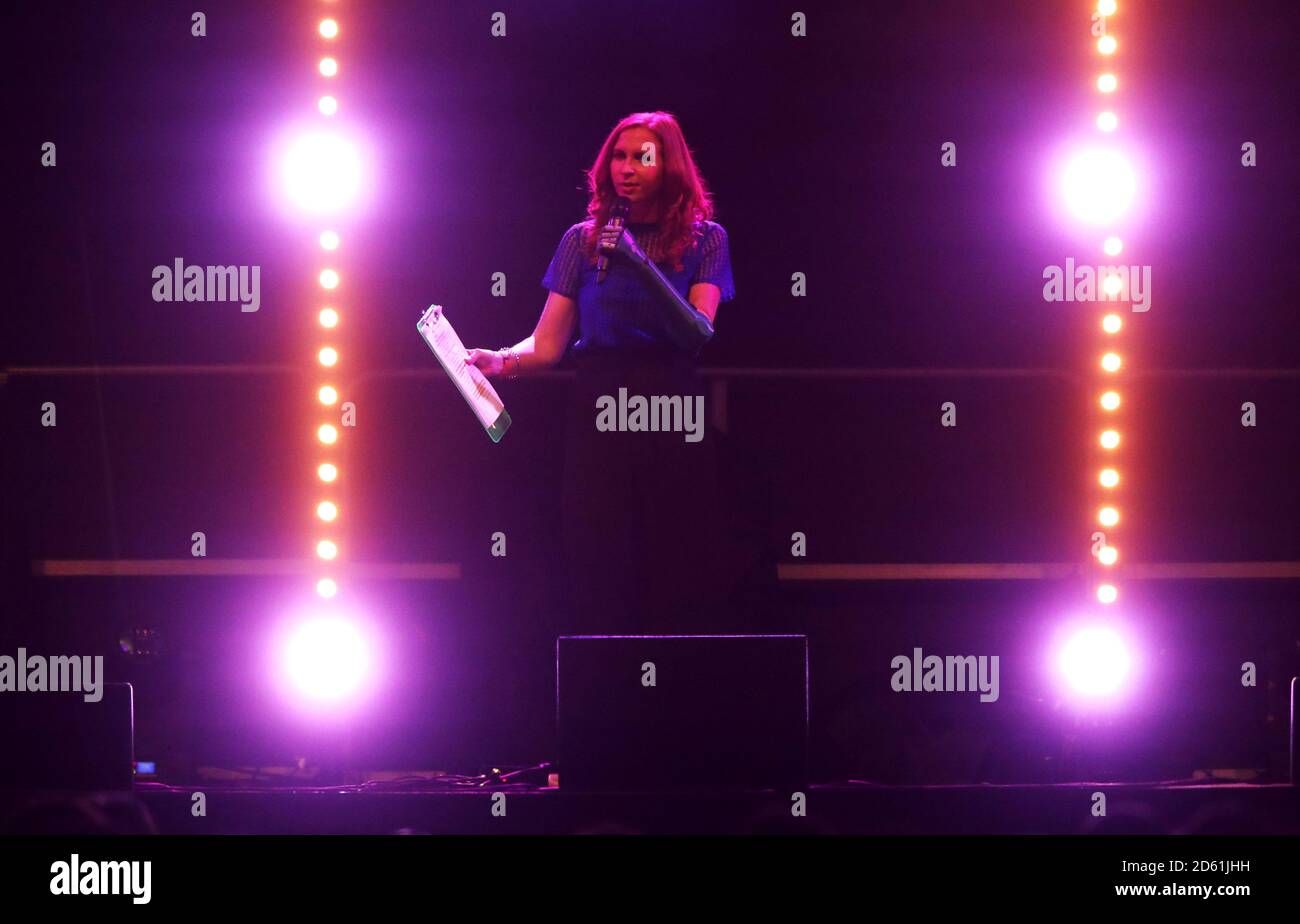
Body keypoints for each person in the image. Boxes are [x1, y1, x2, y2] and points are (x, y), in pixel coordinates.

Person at [465, 111, 737, 633]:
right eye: (618, 155)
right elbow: (547, 345)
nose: (626, 168)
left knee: (675, 549)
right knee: (599, 549)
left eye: (642, 157)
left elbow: (697, 333)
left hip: (671, 401)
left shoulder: (707, 240)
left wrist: (639, 264)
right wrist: (501, 360)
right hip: (601, 402)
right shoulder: (583, 240)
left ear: (670, 166)